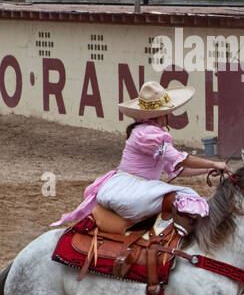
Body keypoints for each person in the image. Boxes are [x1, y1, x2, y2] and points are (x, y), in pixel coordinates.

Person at [54, 81, 227, 235]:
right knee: (188, 197)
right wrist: (213, 162)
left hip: (121, 189)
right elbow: (180, 159)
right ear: (162, 114)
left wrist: (209, 169)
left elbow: (177, 169)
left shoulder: (147, 132)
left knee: (180, 197)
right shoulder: (150, 134)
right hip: (131, 193)